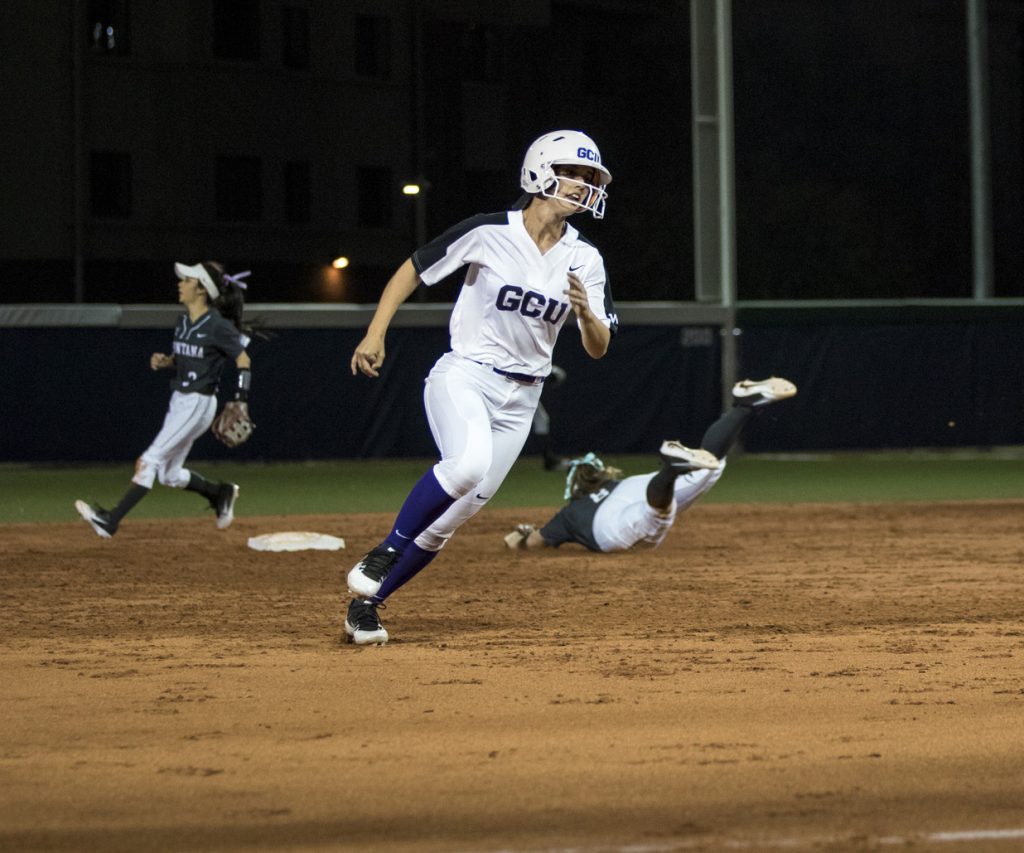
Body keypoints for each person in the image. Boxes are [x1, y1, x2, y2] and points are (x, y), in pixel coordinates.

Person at [346, 129, 618, 645]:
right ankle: (385, 551)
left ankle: (366, 606)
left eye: (590, 178)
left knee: (450, 520)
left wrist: (586, 316)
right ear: (540, 171)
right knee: (466, 465)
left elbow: (598, 347)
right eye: (573, 173)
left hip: (523, 398)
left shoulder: (586, 258)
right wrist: (376, 332)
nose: (584, 186)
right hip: (467, 375)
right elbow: (413, 270)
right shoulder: (490, 230)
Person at [503, 377, 797, 553]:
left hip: (606, 528)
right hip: (635, 489)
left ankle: (671, 467)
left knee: (656, 513)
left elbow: (527, 545)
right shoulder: (615, 483)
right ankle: (743, 406)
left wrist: (523, 535)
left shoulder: (569, 515)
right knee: (708, 463)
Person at [74, 261, 254, 538]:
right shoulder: (183, 321)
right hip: (180, 400)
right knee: (169, 474)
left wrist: (241, 399)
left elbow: (244, 360)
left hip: (198, 402)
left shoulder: (217, 326)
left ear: (202, 290)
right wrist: (167, 361)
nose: (180, 284)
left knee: (150, 460)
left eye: (187, 281)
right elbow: (188, 358)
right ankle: (220, 493)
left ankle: (110, 520)